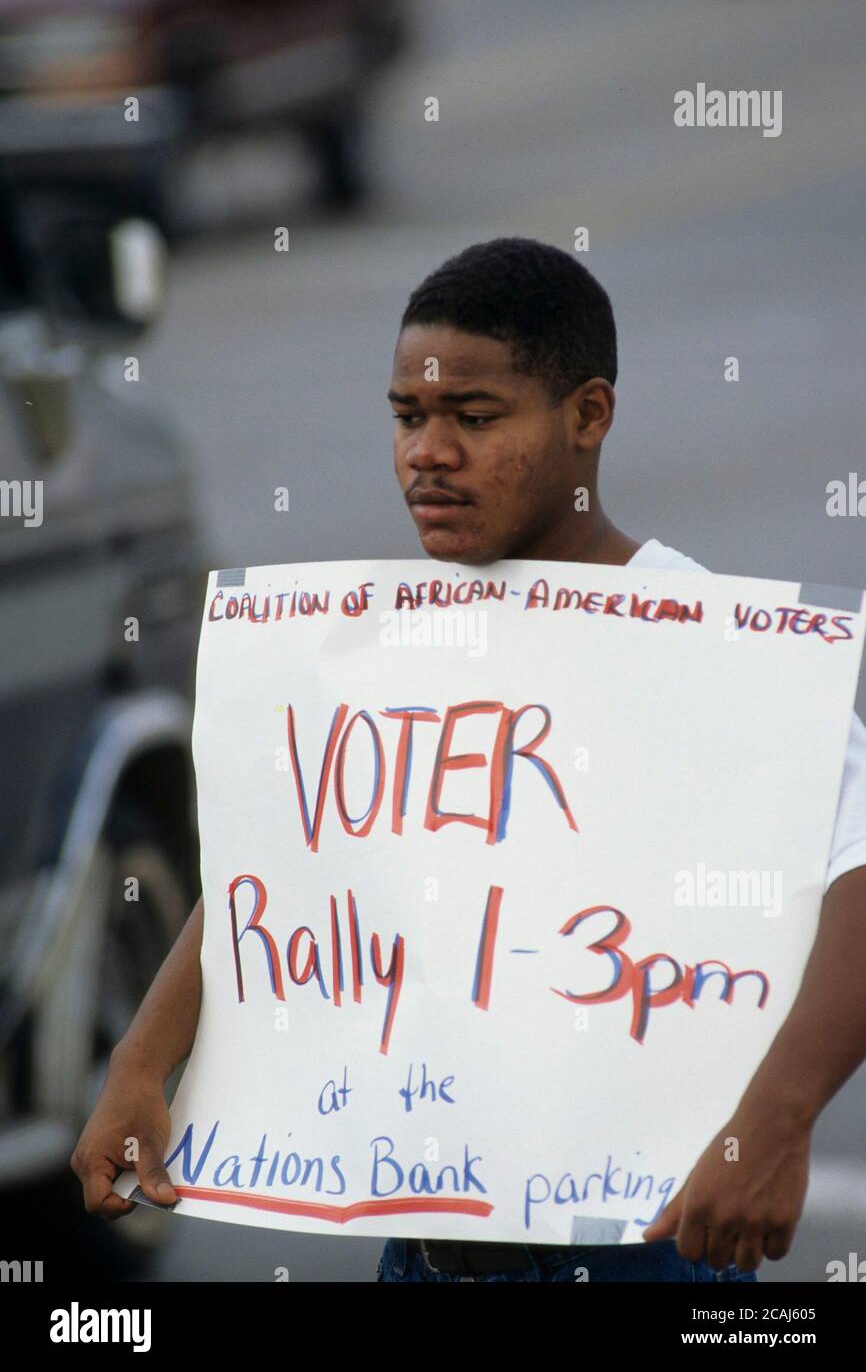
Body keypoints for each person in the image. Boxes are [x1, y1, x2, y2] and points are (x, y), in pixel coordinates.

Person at [72, 237, 866, 1285]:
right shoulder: (388, 642)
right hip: (427, 1253)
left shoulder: (701, 640)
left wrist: (771, 1123)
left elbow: (853, 873)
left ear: (587, 416)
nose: (426, 453)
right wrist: (141, 1060)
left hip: (639, 1251)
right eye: (407, 417)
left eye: (473, 419)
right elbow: (285, 871)